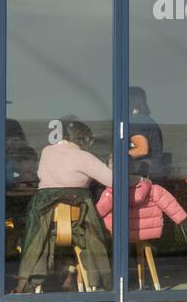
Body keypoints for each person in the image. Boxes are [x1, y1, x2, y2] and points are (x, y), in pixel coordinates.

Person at [15, 120, 113, 292]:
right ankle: (94, 281)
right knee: (95, 230)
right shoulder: (84, 157)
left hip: (46, 227)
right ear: (83, 140)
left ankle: (33, 283)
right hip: (79, 227)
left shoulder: (46, 151)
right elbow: (113, 180)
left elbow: (40, 174)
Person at [128, 86, 165, 180]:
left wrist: (117, 156)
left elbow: (142, 150)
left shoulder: (135, 122)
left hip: (145, 175)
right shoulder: (148, 120)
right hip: (156, 172)